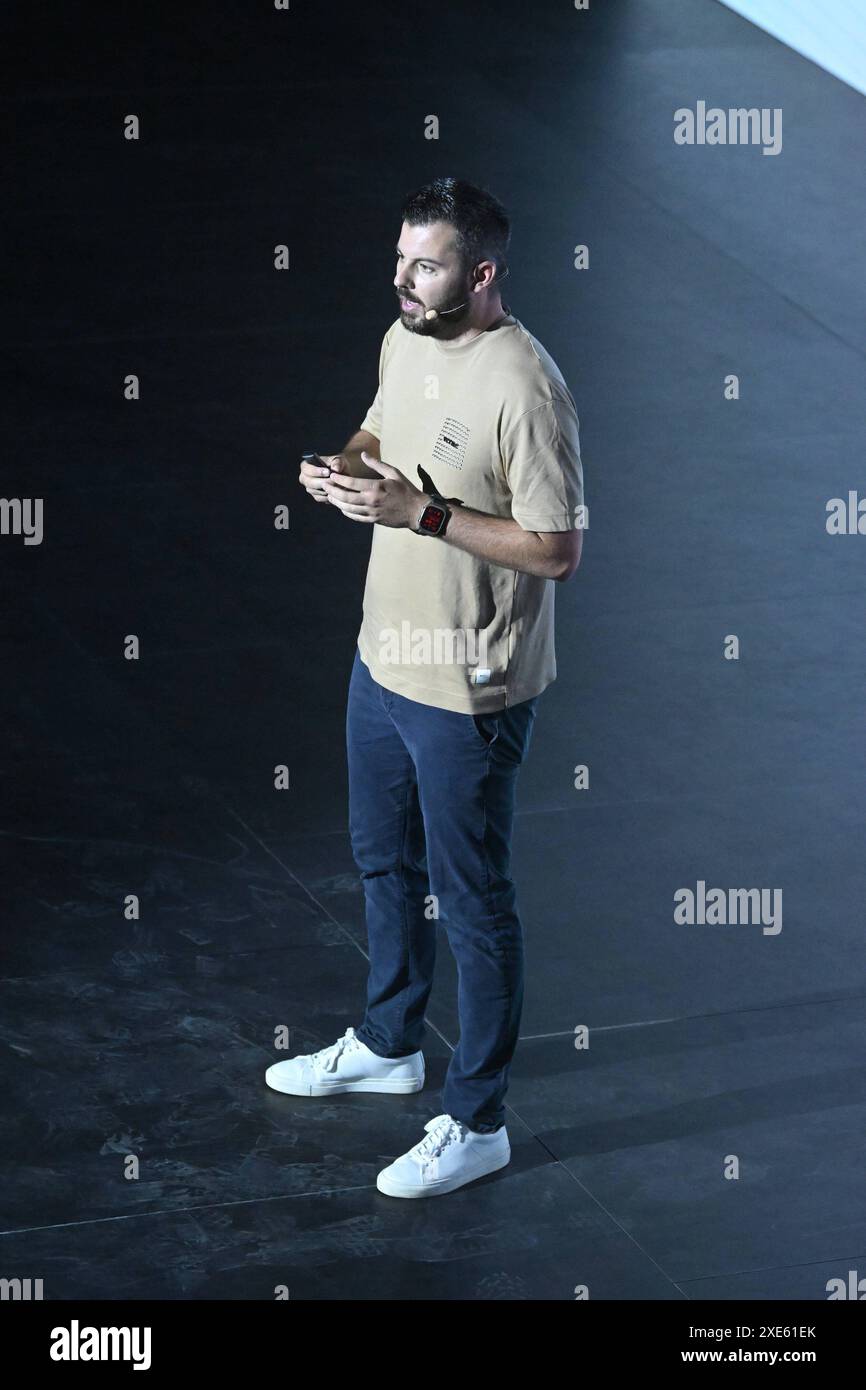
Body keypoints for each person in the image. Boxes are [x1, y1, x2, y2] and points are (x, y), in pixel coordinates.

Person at [267, 176, 584, 1199]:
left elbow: (555, 550)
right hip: (383, 657)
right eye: (400, 258)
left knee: (473, 902)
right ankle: (389, 1040)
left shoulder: (524, 387)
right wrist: (344, 468)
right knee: (379, 863)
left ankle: (475, 1116)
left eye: (426, 264)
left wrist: (421, 516)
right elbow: (376, 428)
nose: (401, 278)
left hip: (469, 689)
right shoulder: (405, 334)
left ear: (480, 274)